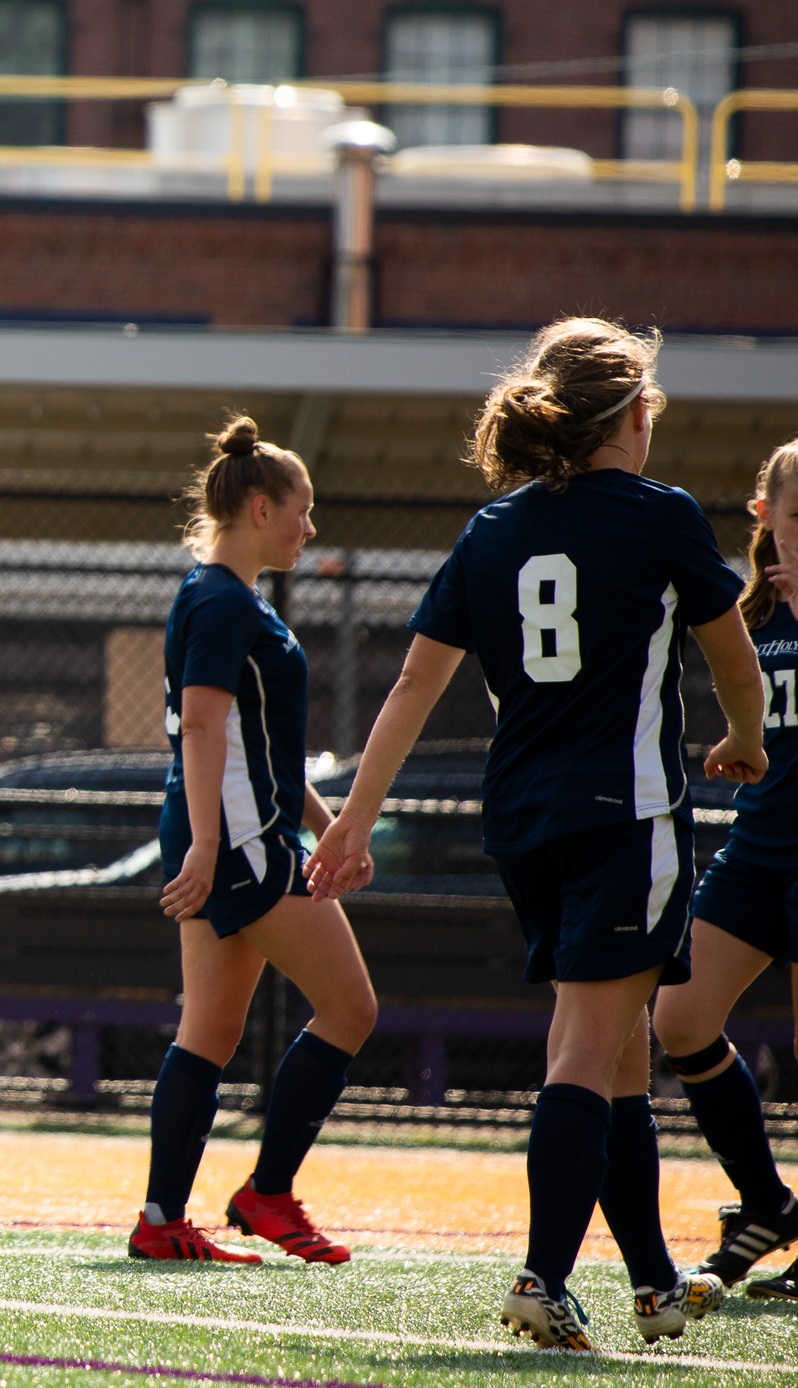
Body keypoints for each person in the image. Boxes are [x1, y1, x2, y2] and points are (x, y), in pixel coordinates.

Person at [309, 319, 758, 1349]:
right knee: (586, 1044)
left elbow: (413, 682)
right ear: (633, 413)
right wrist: (744, 739)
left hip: (521, 819)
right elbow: (733, 658)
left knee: (618, 1051)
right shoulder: (660, 514)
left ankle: (650, 1280)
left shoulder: (491, 527)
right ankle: (542, 1275)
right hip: (623, 814)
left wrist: (355, 818)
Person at [126, 418, 377, 1268]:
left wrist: (328, 824)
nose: (309, 526)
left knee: (208, 1030)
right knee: (350, 1009)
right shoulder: (222, 599)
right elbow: (201, 726)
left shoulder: (228, 594)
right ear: (260, 508)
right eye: (300, 510)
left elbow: (256, 743)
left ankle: (162, 1217)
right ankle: (266, 1192)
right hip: (238, 840)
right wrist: (207, 844)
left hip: (233, 831)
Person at [652, 436, 798, 1296]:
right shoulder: (746, 612)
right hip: (757, 847)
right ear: (764, 516)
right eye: (797, 516)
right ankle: (766, 1200)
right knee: (678, 1017)